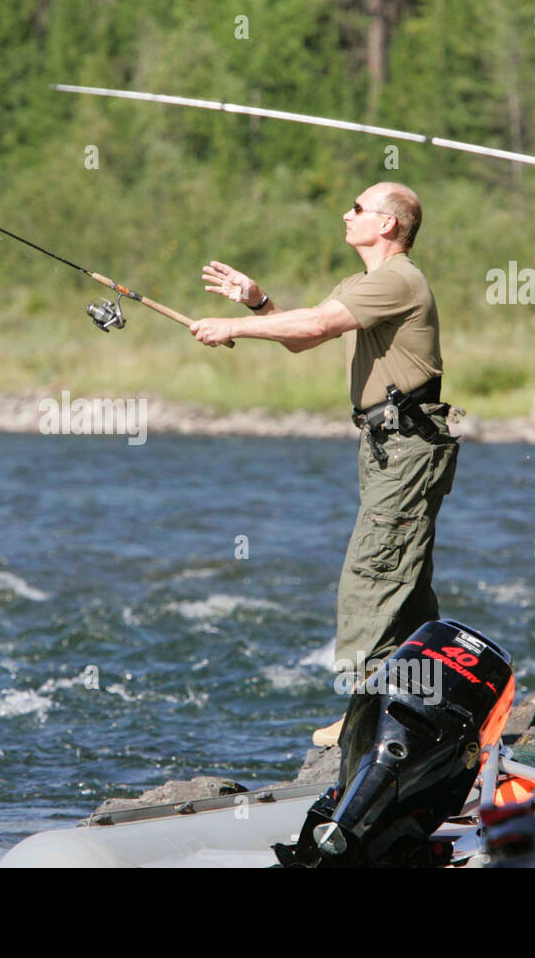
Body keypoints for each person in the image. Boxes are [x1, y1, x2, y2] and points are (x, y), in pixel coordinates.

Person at [190, 182, 458, 747]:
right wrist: (258, 304)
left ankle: (364, 720)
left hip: (408, 444)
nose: (346, 213)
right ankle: (424, 704)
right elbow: (304, 336)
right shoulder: (362, 284)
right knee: (404, 582)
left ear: (387, 224)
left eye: (357, 208)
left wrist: (233, 328)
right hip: (385, 445)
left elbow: (313, 325)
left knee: (372, 574)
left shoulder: (397, 280)